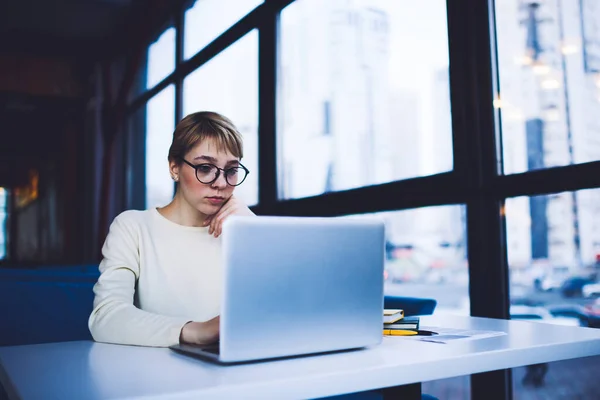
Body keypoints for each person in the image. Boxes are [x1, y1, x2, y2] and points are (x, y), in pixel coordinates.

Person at [88, 111, 255, 347]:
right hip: (158, 372)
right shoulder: (133, 227)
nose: (221, 183)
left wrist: (252, 230)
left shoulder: (244, 229)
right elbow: (106, 318)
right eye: (205, 168)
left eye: (231, 170)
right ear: (174, 168)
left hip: (236, 368)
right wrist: (197, 330)